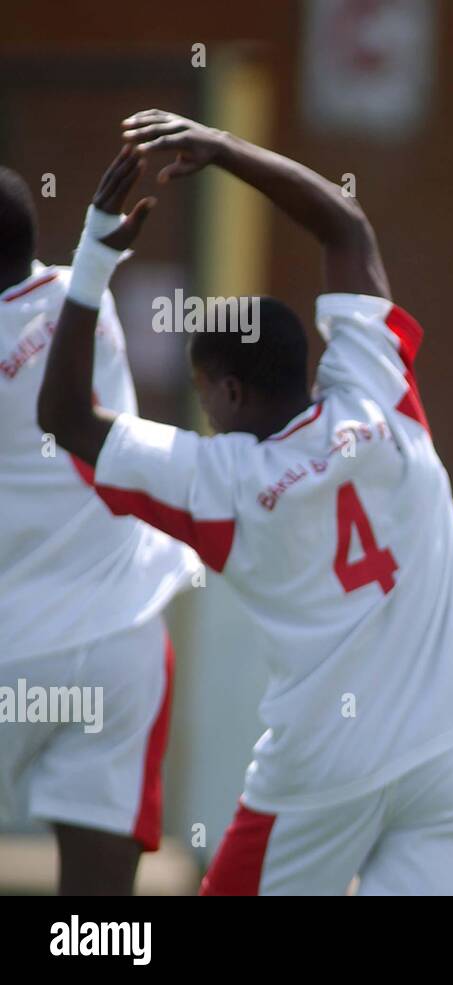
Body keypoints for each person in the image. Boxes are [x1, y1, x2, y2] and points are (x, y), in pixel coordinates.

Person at [39, 114, 453, 895]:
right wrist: (224, 146)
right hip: (450, 759)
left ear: (229, 389)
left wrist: (95, 255)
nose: (203, 410)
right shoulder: (380, 398)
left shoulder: (221, 480)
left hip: (321, 772)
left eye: (204, 392)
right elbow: (346, 227)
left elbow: (66, 417)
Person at [0, 163, 199, 895]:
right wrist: (97, 245)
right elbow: (70, 289)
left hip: (11, 652)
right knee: (99, 914)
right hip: (122, 637)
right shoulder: (85, 304)